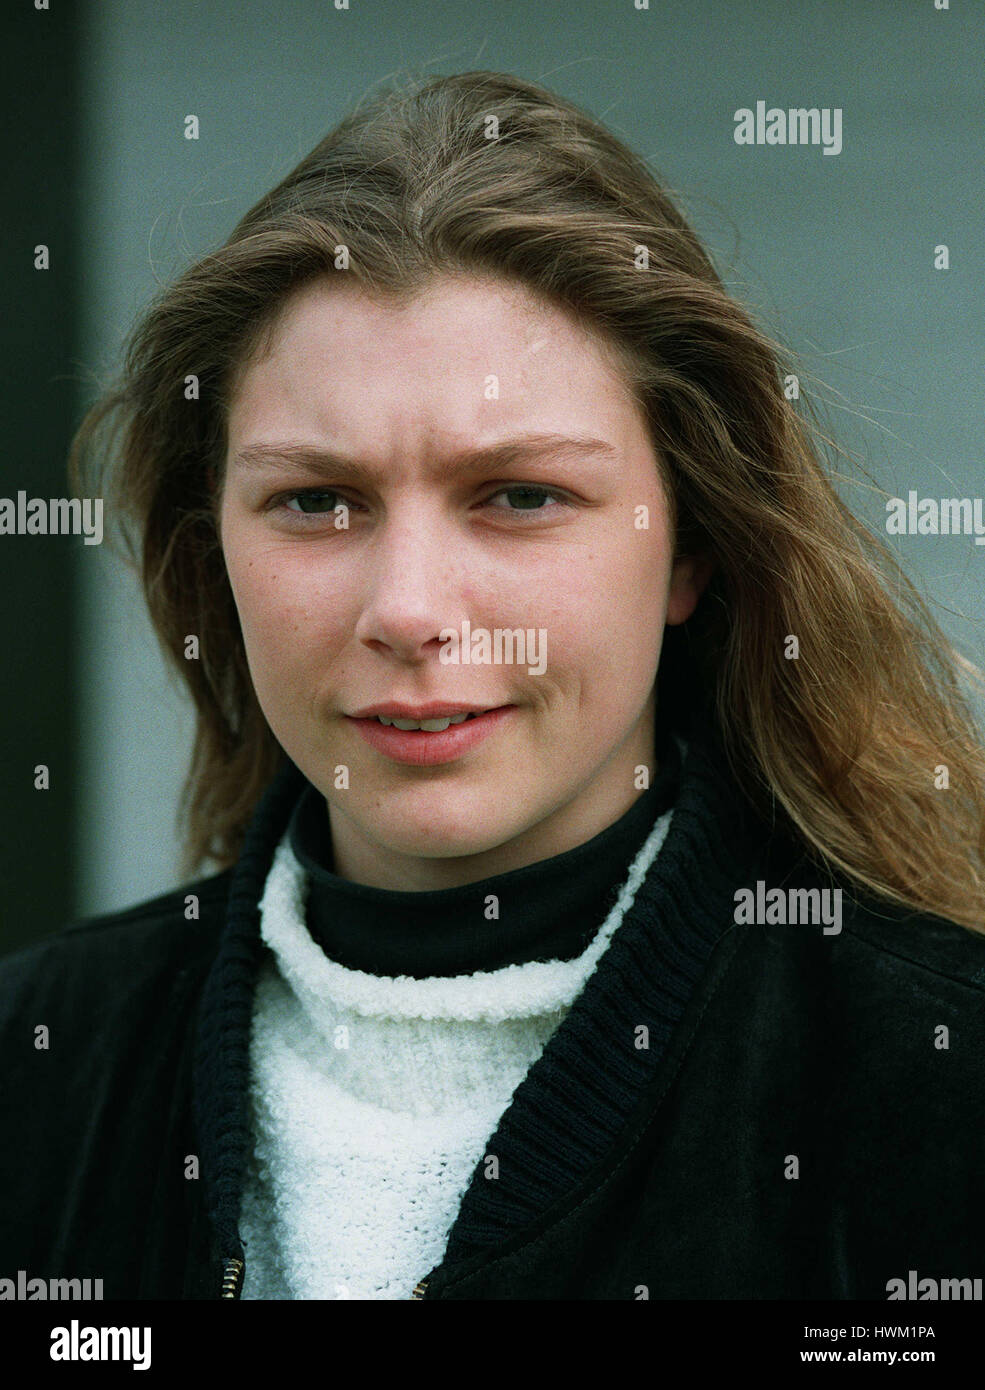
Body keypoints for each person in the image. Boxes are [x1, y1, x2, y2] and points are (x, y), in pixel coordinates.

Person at [2, 69, 984, 1303]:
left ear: (690, 547)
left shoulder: (937, 1083)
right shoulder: (36, 1067)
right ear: (216, 550)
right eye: (316, 501)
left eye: (521, 495)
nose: (408, 609)